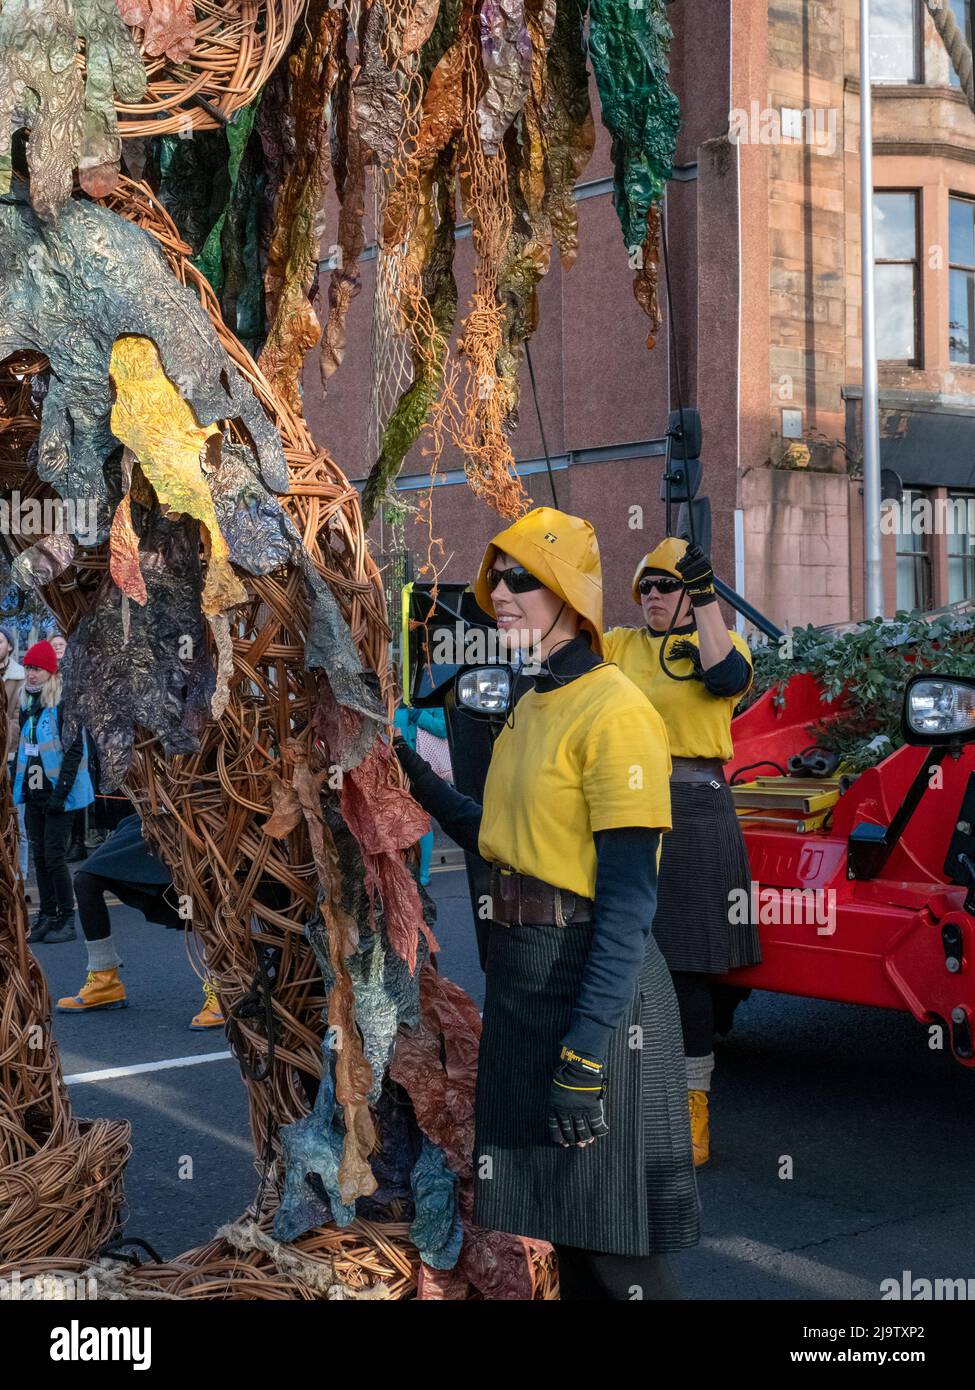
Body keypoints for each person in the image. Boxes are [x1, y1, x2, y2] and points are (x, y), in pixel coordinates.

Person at [395, 507, 699, 1300]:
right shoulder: (532, 705)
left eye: (522, 577)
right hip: (528, 980)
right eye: (495, 575)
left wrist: (586, 1054)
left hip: (595, 991)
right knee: (564, 1234)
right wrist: (414, 778)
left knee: (612, 1245)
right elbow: (499, 838)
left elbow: (629, 903)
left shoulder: (615, 709)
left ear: (571, 594)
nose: (498, 591)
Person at [603, 538, 759, 1167]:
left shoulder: (720, 640)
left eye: (667, 587)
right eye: (646, 587)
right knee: (622, 957)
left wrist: (706, 597)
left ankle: (692, 1116)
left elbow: (728, 678)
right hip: (627, 806)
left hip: (695, 809)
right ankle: (630, 1102)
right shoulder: (620, 646)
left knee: (687, 969)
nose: (654, 597)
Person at [55, 812, 225, 1029]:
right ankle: (104, 979)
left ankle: (222, 989)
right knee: (86, 879)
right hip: (154, 817)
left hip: (204, 818)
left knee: (203, 891)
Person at [13, 639, 94, 944]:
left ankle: (67, 919)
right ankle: (47, 915)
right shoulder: (27, 704)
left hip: (59, 795)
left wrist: (60, 795)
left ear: (50, 672)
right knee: (40, 857)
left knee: (55, 858)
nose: (31, 674)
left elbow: (74, 753)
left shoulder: (63, 704)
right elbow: (25, 750)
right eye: (29, 668)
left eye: (37, 669)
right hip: (33, 793)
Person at [392, 700, 448, 886]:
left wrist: (417, 714)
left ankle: (423, 874)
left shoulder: (430, 696)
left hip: (419, 769)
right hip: (392, 770)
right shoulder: (392, 699)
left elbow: (443, 728)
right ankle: (400, 872)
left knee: (422, 820)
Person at [0, 622, 29, 891]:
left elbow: (19, 717)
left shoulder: (19, 675)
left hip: (10, 755)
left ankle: (20, 877)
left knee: (16, 819)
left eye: (1, 641)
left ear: (9, 645)